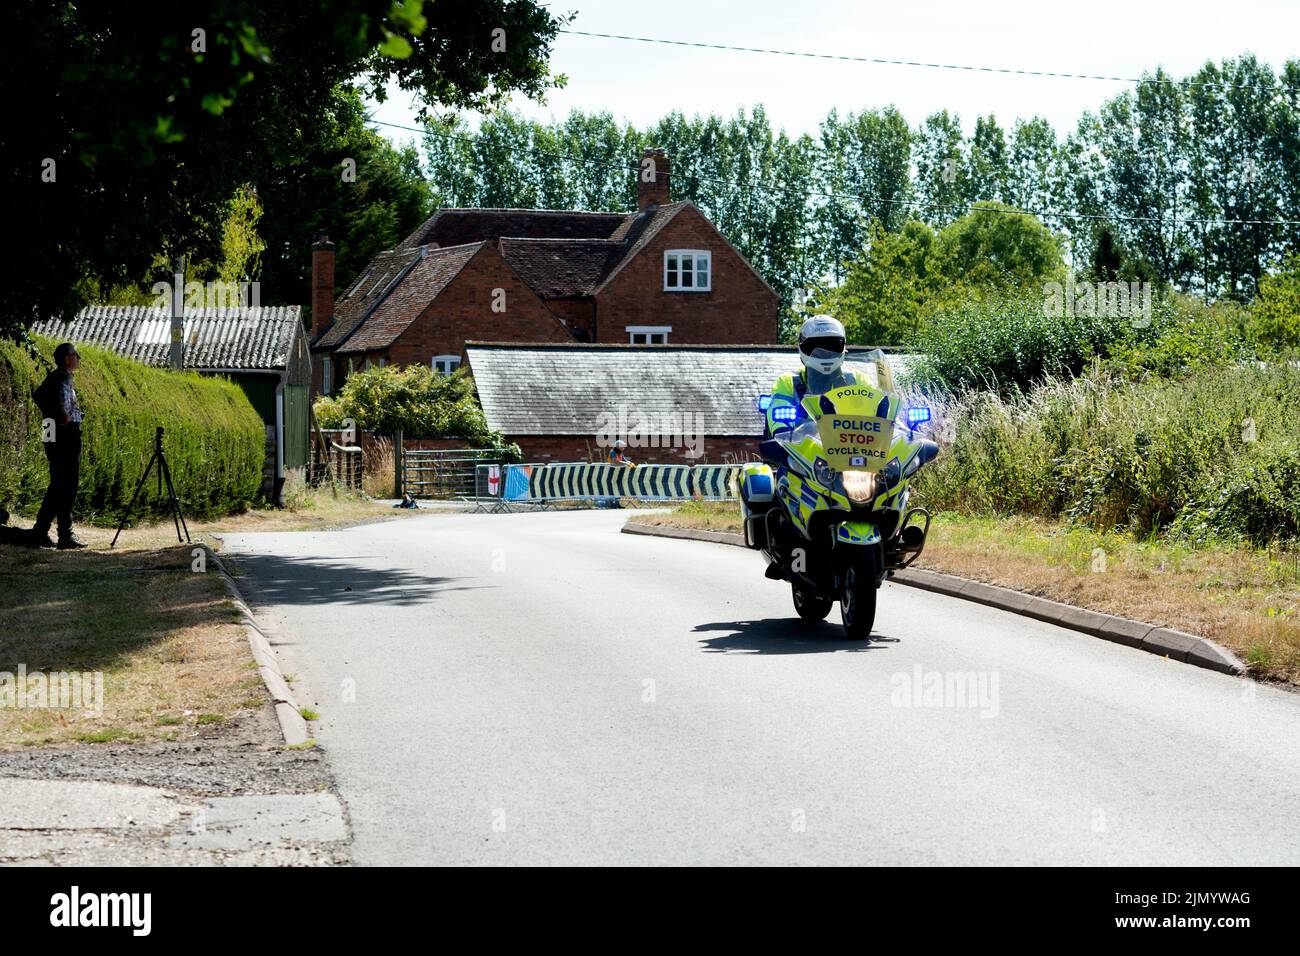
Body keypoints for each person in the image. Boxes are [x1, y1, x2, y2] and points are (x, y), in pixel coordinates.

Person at [28, 343, 86, 549]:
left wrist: (50, 418)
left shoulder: (54, 377)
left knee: (57, 483)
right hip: (66, 435)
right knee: (68, 485)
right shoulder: (63, 377)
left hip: (52, 432)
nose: (78, 357)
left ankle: (40, 531)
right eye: (75, 354)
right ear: (66, 358)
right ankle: (64, 535)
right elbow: (61, 408)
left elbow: (37, 396)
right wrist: (65, 419)